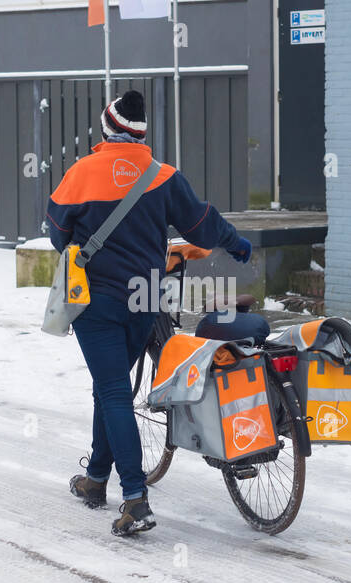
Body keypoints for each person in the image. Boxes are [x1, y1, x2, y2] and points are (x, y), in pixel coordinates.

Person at [45, 90, 251, 537]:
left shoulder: (81, 173)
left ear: (106, 130)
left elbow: (57, 231)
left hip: (96, 302)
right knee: (112, 385)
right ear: (140, 133)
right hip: (147, 299)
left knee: (113, 389)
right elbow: (202, 223)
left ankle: (135, 499)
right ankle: (97, 480)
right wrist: (236, 244)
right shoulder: (164, 176)